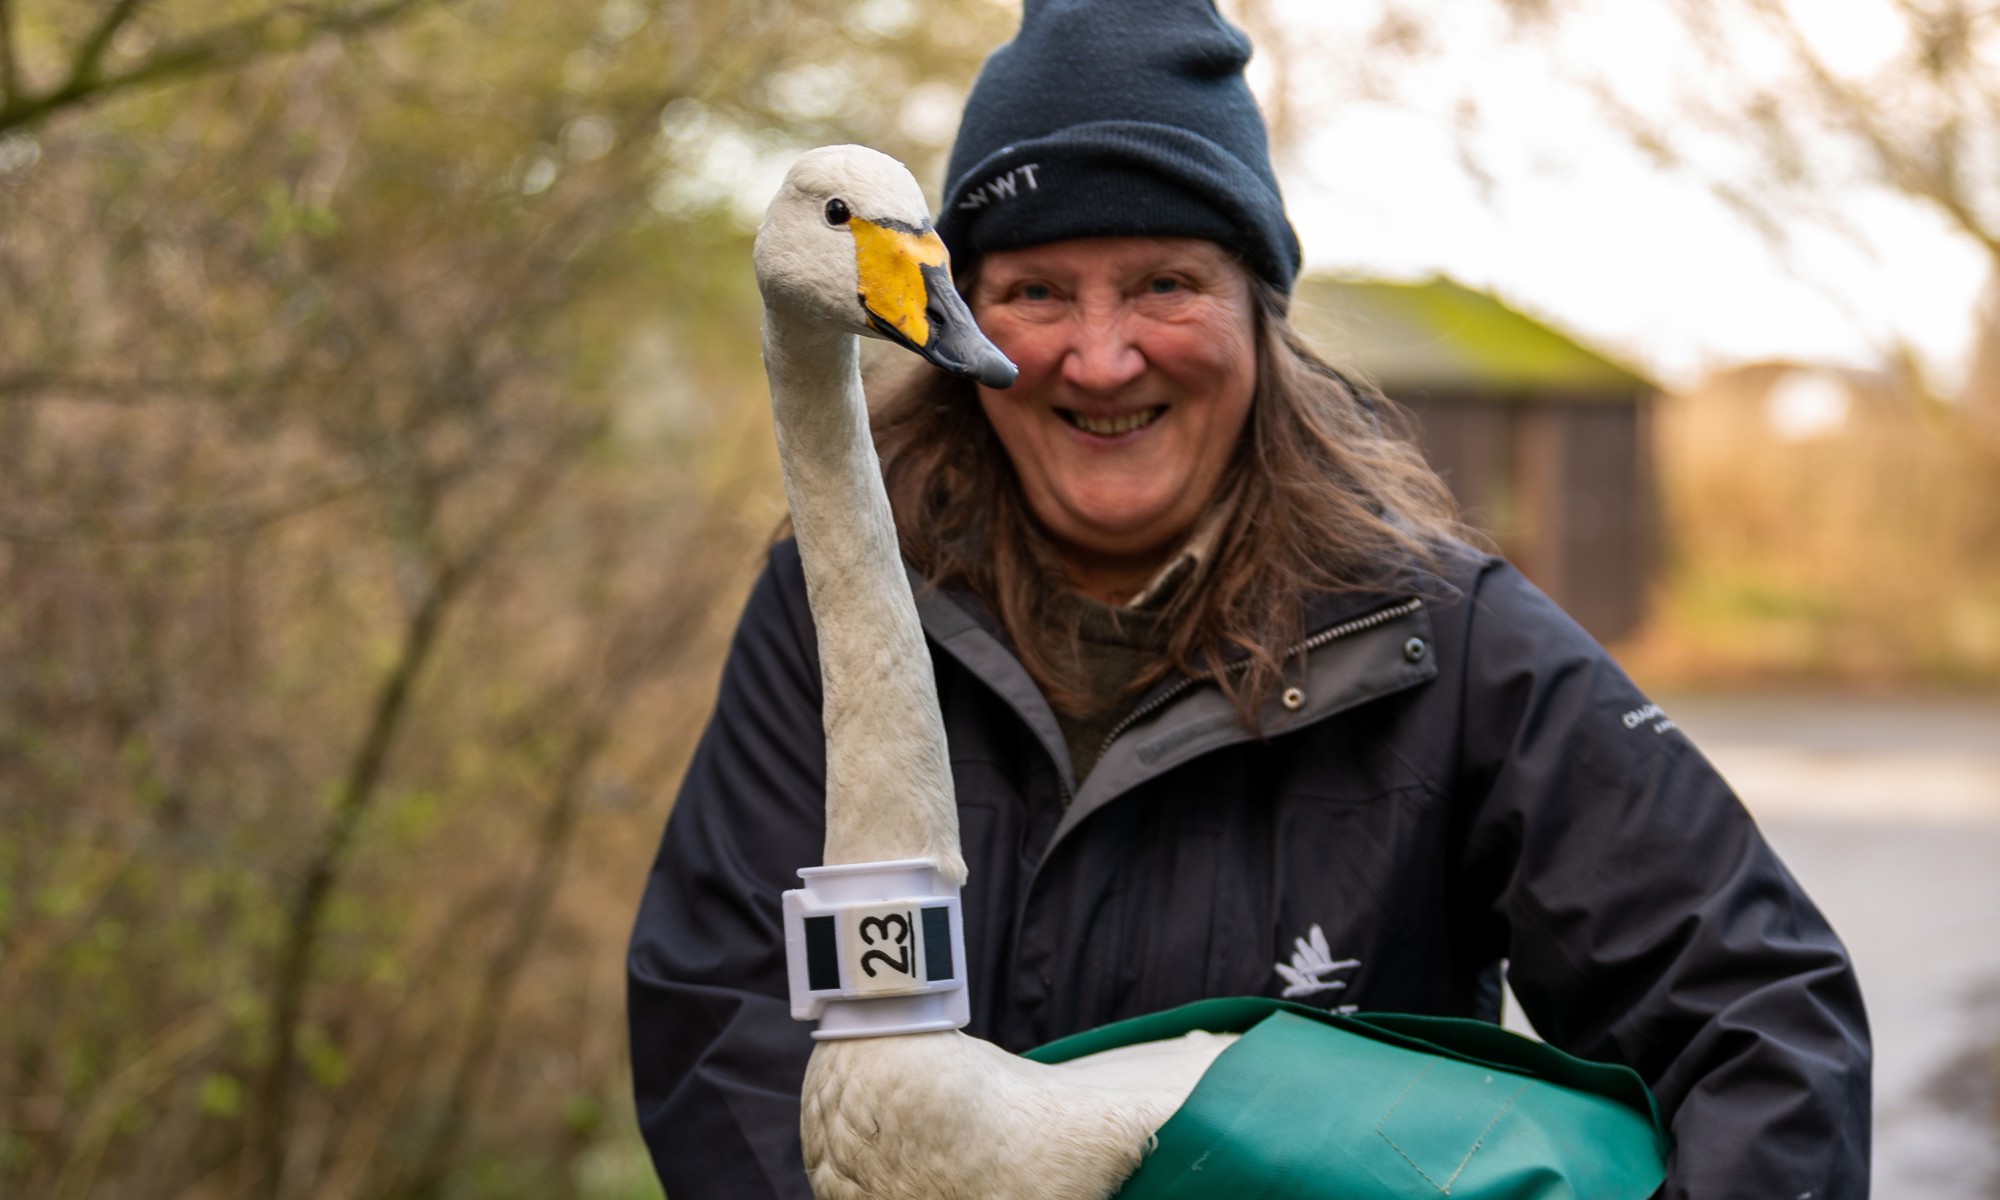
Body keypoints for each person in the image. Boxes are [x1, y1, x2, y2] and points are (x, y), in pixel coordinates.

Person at [627, 0, 1872, 1196]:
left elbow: (1764, 1031)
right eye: (1036, 291)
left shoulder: (1445, 647)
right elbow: (723, 1013)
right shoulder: (830, 615)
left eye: (1163, 283)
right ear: (956, 319)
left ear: (1257, 311)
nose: (1099, 358)